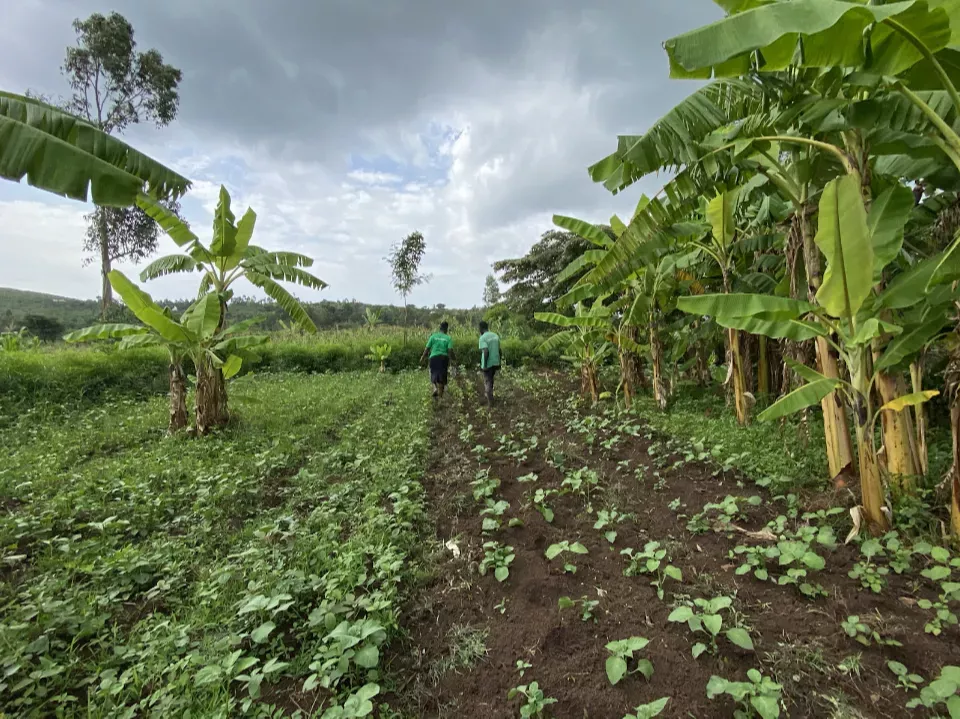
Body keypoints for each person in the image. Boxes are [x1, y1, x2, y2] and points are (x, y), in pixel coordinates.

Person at [421, 321, 454, 399]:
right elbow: (450, 350)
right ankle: (440, 397)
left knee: (433, 373)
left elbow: (427, 349)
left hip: (434, 358)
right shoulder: (448, 338)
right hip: (443, 358)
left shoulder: (433, 336)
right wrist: (452, 359)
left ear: (440, 328)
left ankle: (435, 387)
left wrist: (422, 357)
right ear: (446, 329)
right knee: (442, 377)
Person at [478, 321, 502, 406]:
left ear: (481, 328)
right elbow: (499, 350)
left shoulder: (482, 338)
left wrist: (484, 365)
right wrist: (499, 362)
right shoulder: (495, 335)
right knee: (491, 379)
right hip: (496, 362)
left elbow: (486, 351)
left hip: (488, 363)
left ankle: (490, 402)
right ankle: (490, 395)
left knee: (487, 380)